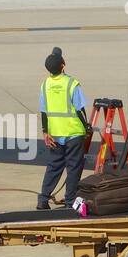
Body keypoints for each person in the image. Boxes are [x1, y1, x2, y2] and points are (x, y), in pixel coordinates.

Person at [38, 47, 89, 210]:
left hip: (55, 134)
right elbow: (80, 109)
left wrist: (45, 132)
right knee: (73, 167)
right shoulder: (72, 83)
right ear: (63, 65)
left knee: (54, 166)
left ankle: (43, 199)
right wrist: (86, 126)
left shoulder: (45, 85)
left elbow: (43, 111)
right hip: (73, 132)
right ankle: (69, 201)